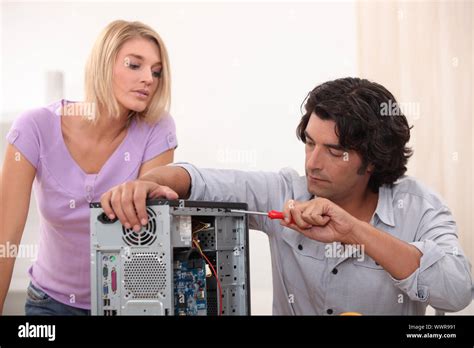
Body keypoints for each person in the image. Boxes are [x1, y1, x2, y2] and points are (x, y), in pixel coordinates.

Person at [101, 77, 472, 315]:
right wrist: (148, 182)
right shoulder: (284, 191)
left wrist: (355, 232)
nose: (313, 162)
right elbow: (200, 179)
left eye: (333, 150)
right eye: (309, 143)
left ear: (372, 160)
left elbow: (457, 291)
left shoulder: (418, 206)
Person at [0, 20, 178, 315]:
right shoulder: (34, 128)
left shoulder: (156, 128)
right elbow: (5, 238)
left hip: (126, 303)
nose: (149, 78)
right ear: (102, 65)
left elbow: (148, 231)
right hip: (50, 304)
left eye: (156, 72)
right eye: (135, 65)